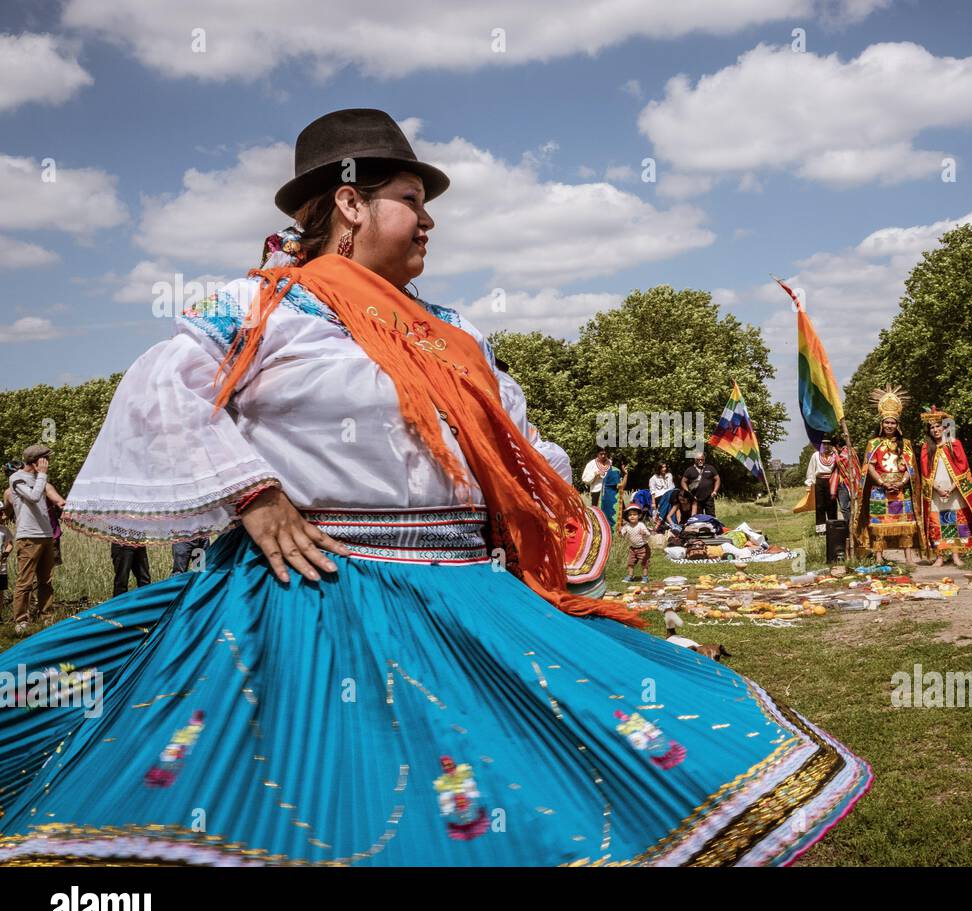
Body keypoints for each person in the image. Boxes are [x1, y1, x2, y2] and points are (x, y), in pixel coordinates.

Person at [0, 109, 869, 866]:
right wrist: (253, 492)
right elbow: (161, 389)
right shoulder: (266, 306)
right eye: (413, 201)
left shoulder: (454, 332)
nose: (428, 223)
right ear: (349, 201)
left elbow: (521, 447)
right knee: (328, 793)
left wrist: (549, 521)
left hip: (463, 597)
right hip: (316, 594)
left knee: (498, 785)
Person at [854, 386, 925, 565]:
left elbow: (911, 468)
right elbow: (869, 466)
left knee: (906, 526)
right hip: (880, 490)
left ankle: (909, 559)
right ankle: (879, 559)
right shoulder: (873, 443)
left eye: (893, 423)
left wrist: (901, 483)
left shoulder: (906, 444)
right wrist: (882, 482)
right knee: (879, 526)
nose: (889, 426)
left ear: (898, 425)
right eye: (887, 422)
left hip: (901, 490)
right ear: (881, 424)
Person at [917, 408, 972, 567]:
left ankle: (956, 555)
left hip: (954, 490)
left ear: (944, 427)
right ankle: (940, 556)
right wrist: (938, 489)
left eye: (938, 426)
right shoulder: (926, 448)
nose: (935, 430)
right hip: (936, 491)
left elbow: (963, 469)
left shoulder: (954, 444)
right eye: (932, 428)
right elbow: (925, 473)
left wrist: (952, 488)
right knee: (937, 523)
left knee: (956, 522)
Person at [7, 444, 57, 634]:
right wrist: (42, 475)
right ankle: (21, 620)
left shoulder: (39, 478)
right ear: (37, 461)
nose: (48, 463)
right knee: (25, 581)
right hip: (28, 536)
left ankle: (46, 616)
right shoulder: (16, 478)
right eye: (46, 459)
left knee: (46, 580)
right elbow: (34, 497)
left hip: (45, 535)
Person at [804, 438, 838, 532]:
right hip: (819, 481)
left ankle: (832, 528)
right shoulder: (815, 455)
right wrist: (809, 483)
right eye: (824, 444)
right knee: (820, 506)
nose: (826, 446)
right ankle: (821, 530)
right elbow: (811, 470)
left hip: (831, 481)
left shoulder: (835, 456)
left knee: (832, 505)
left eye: (828, 444)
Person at [619, 505, 653, 584]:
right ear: (627, 517)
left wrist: (644, 533)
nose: (632, 516)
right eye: (630, 515)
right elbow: (622, 534)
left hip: (643, 547)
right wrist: (621, 532)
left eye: (634, 514)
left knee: (644, 562)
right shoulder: (627, 526)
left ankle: (645, 577)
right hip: (632, 548)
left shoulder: (640, 525)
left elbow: (648, 534)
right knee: (630, 563)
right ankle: (630, 576)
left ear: (639, 516)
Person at [681, 451, 720, 517]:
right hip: (695, 498)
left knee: (711, 517)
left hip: (709, 497)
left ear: (704, 459)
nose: (700, 461)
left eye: (702, 459)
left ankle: (712, 527)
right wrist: (687, 491)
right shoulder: (689, 470)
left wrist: (715, 491)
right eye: (698, 460)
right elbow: (683, 481)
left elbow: (717, 479)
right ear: (695, 460)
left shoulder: (710, 468)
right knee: (698, 518)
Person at [600, 456, 624, 527]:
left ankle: (611, 534)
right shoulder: (607, 470)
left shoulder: (614, 470)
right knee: (609, 516)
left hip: (609, 497)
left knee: (609, 516)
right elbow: (620, 485)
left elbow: (619, 485)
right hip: (608, 497)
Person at [0, 520, 12, 621]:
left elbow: (9, 544)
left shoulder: (4, 530)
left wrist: (6, 552)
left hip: (1, 568)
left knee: (0, 592)